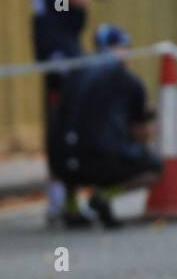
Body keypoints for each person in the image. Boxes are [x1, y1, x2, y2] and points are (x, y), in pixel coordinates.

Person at [25, 0, 110, 227]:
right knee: (63, 114)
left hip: (72, 38)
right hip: (53, 38)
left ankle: (73, 194)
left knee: (81, 113)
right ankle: (60, 198)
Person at [49, 23, 162, 228]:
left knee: (70, 144)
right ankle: (103, 196)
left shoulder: (74, 72)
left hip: (60, 164)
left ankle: (71, 206)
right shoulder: (128, 80)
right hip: (101, 162)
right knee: (153, 166)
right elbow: (141, 133)